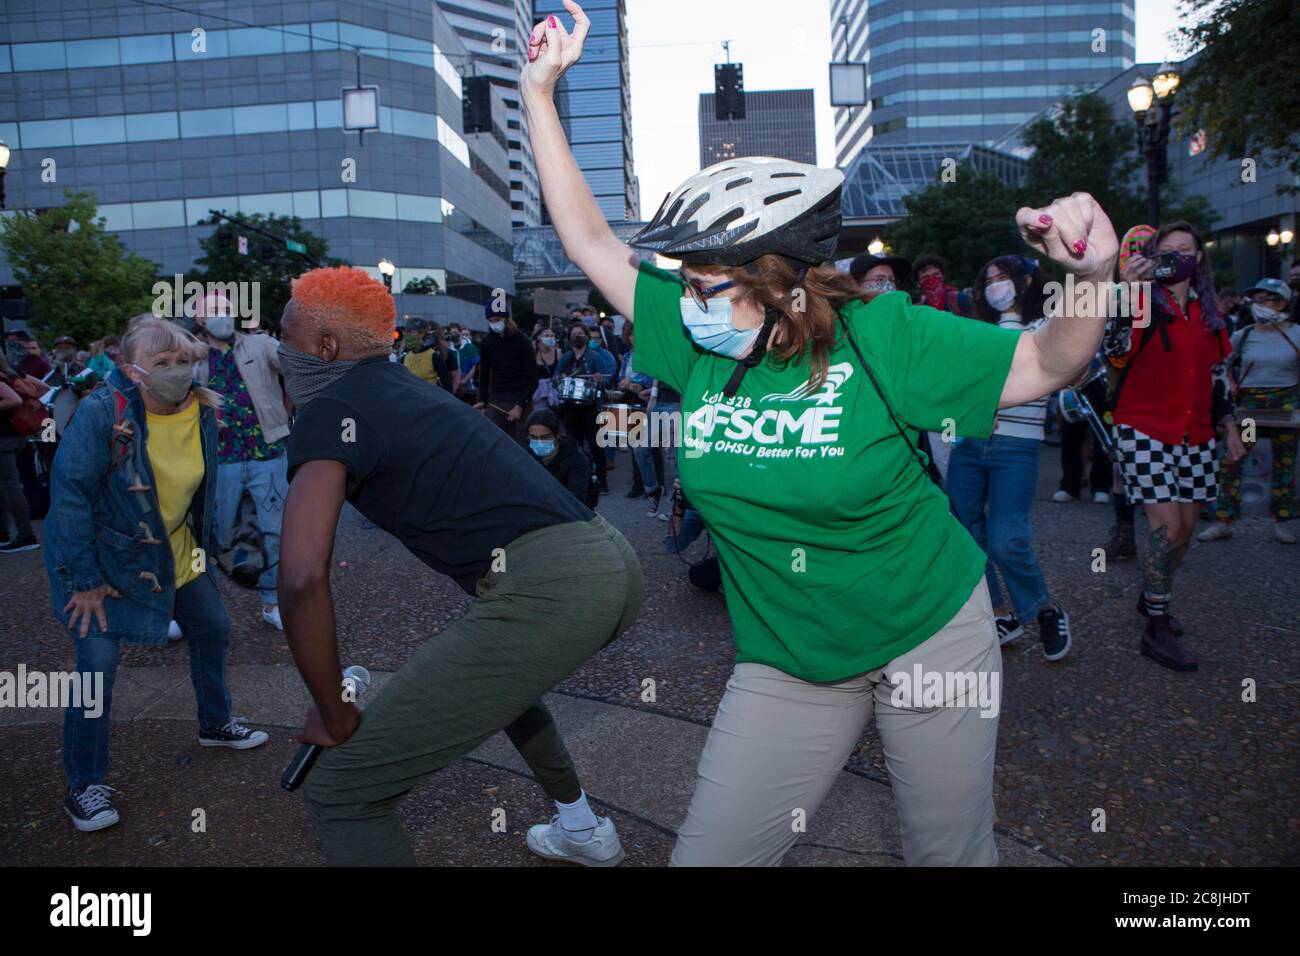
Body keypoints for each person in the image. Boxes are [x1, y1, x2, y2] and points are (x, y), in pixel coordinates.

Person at [524, 1, 1118, 866]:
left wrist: (1091, 277)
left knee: (948, 855)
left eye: (707, 283)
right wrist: (541, 90)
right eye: (683, 281)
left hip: (929, 634)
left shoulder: (885, 334)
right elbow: (586, 238)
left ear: (778, 283)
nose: (685, 299)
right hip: (789, 659)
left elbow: (1045, 365)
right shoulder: (692, 335)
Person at [276, 266, 642, 866]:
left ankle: (580, 828)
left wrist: (334, 709)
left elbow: (299, 577)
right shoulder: (407, 387)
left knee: (342, 789)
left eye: (285, 342)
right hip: (606, 560)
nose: (280, 356)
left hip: (554, 585)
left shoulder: (329, 408)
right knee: (503, 690)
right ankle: (581, 828)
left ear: (325, 349)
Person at [44, 314, 268, 832]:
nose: (176, 371)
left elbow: (199, 491)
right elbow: (70, 497)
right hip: (97, 558)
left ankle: (215, 723)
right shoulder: (102, 413)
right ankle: (85, 785)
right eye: (161, 362)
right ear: (130, 369)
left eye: (184, 361)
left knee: (213, 626)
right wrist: (84, 581)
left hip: (173, 550)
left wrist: (214, 550)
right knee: (96, 665)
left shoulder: (203, 411)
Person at [1105, 221, 1246, 671]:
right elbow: (1114, 350)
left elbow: (1217, 374)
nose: (1179, 256)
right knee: (1165, 528)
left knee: (1184, 531)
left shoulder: (1210, 313)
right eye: (1168, 250)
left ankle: (1153, 597)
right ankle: (1158, 626)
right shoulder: (1142, 300)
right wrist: (1127, 294)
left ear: (1199, 258)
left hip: (1197, 433)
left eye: (1186, 249)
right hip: (1143, 427)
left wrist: (1229, 425)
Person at [945, 255, 1072, 659]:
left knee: (1006, 539)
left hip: (1017, 444)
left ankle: (1045, 609)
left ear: (1027, 280)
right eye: (989, 279)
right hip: (968, 443)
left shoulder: (1047, 327)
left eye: (1004, 278)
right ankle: (1001, 613)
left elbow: (1033, 369)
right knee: (965, 535)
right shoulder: (978, 327)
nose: (996, 286)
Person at [192, 293, 292, 631]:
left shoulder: (261, 345)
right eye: (214, 312)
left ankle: (272, 603)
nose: (223, 317)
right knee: (215, 533)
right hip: (220, 459)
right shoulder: (192, 357)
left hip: (267, 451)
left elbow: (293, 366)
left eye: (227, 311)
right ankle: (202, 609)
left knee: (273, 529)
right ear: (200, 320)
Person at [1199, 278, 1297, 544]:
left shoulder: (1297, 333)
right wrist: (1230, 382)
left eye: (1267, 299)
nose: (1260, 305)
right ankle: (1224, 519)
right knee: (1234, 459)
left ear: (1283, 302)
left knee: (1285, 464)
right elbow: (1222, 364)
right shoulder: (1244, 335)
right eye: (1257, 299)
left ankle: (1283, 521)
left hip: (1286, 405)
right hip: (1251, 407)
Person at [556, 322, 610, 492]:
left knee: (596, 444)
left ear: (586, 336)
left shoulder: (594, 357)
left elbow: (607, 378)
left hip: (590, 406)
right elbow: (555, 378)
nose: (576, 336)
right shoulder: (565, 357)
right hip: (570, 406)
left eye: (580, 333)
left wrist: (600, 379)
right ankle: (577, 479)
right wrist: (560, 379)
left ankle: (602, 481)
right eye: (573, 333)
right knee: (573, 444)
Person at [475, 298, 536, 444]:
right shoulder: (487, 342)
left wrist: (520, 405)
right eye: (490, 320)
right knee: (495, 444)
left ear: (506, 318)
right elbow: (483, 375)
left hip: (520, 399)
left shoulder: (523, 341)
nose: (494, 323)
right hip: (496, 400)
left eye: (497, 319)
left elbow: (533, 378)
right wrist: (482, 401)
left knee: (522, 444)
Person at [0, 350, 39, 553]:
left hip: (3, 438)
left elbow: (13, 399)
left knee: (10, 486)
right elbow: (43, 387)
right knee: (7, 485)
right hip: (17, 435)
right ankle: (5, 533)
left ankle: (26, 536)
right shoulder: (13, 373)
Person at [526, 407, 593, 503]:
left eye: (545, 437)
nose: (539, 442)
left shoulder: (577, 459)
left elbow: (576, 499)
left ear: (557, 435)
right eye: (533, 437)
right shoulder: (526, 455)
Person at [400, 318, 457, 393]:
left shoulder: (433, 356)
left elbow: (447, 385)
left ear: (422, 334)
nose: (407, 335)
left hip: (429, 401)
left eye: (410, 331)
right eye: (405, 331)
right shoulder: (405, 357)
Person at [531, 324, 561, 409]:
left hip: (554, 392)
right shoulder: (532, 353)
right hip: (537, 393)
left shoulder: (558, 353)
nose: (550, 338)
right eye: (546, 335)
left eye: (552, 336)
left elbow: (562, 371)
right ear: (538, 338)